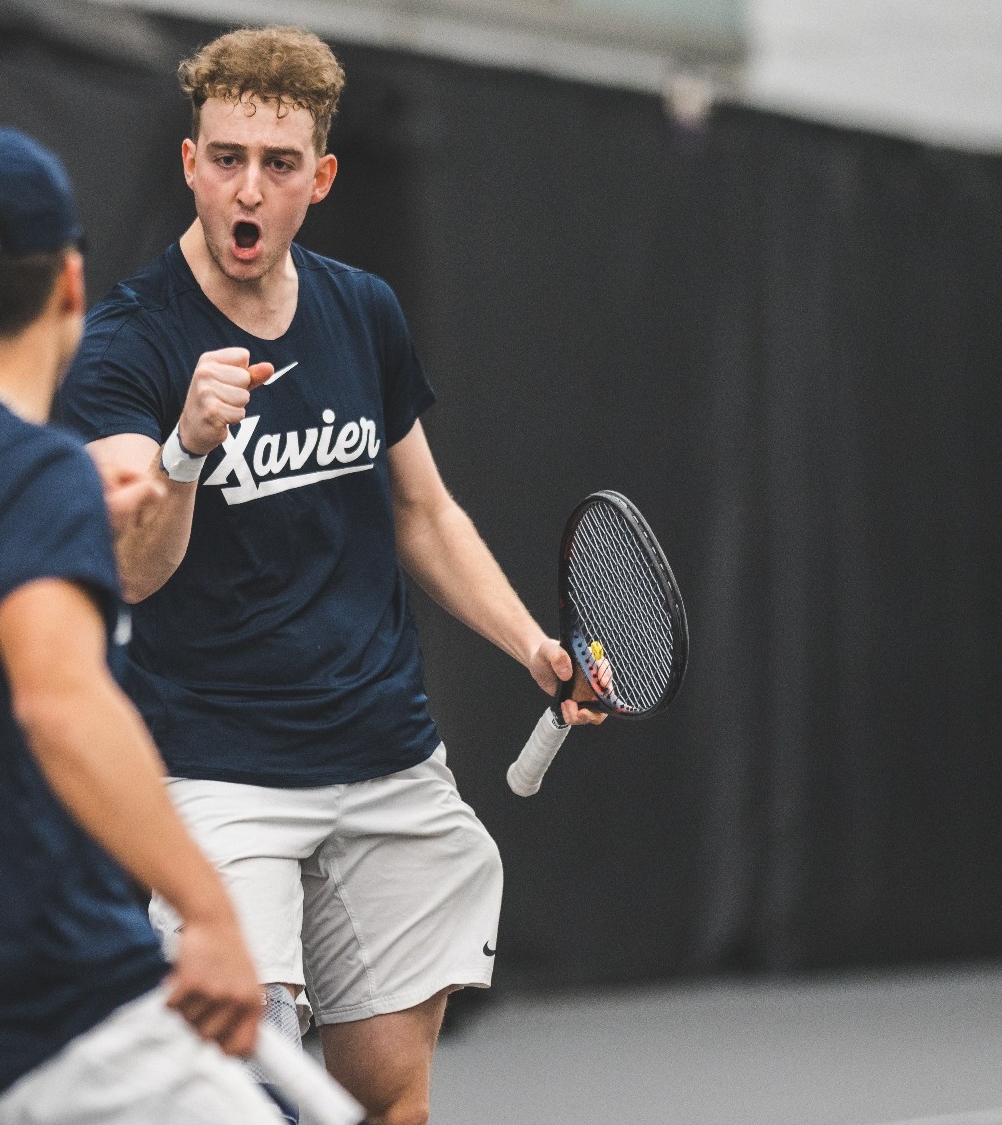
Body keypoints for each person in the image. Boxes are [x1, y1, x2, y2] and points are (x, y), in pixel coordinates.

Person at [53, 28, 606, 1125]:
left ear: (320, 177)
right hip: (219, 776)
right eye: (224, 158)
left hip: (385, 761)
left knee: (383, 1103)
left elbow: (423, 511)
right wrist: (182, 453)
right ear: (188, 165)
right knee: (247, 1096)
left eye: (276, 162)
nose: (246, 187)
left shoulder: (362, 311)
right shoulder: (126, 347)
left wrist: (532, 648)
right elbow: (130, 574)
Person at [0, 126, 282, 1125]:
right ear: (71, 284)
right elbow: (59, 706)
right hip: (73, 1014)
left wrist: (69, 528)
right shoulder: (34, 478)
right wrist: (206, 913)